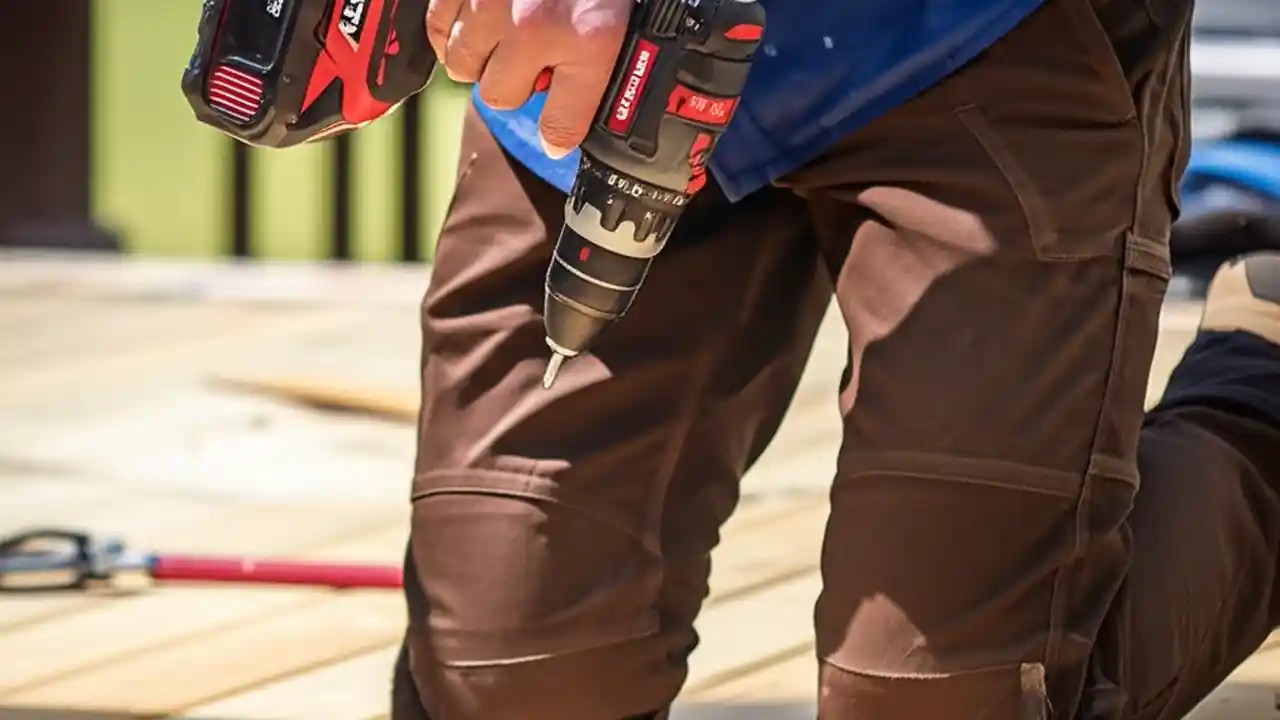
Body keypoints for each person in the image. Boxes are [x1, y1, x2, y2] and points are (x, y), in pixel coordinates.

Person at [390, 0, 1280, 716]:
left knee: (942, 696)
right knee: (509, 674)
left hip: (976, 35)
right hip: (606, 67)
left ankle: (1264, 400)